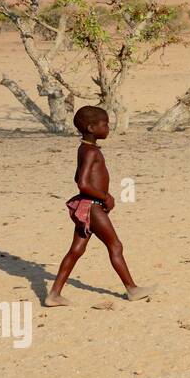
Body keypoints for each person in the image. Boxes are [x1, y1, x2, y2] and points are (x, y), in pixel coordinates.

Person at [47, 106, 150, 306]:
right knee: (115, 245)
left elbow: (77, 176)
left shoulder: (84, 148)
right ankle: (132, 289)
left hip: (87, 205)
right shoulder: (90, 151)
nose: (108, 128)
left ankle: (54, 294)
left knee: (76, 250)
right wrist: (106, 197)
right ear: (92, 128)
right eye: (105, 124)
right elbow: (83, 183)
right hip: (92, 207)